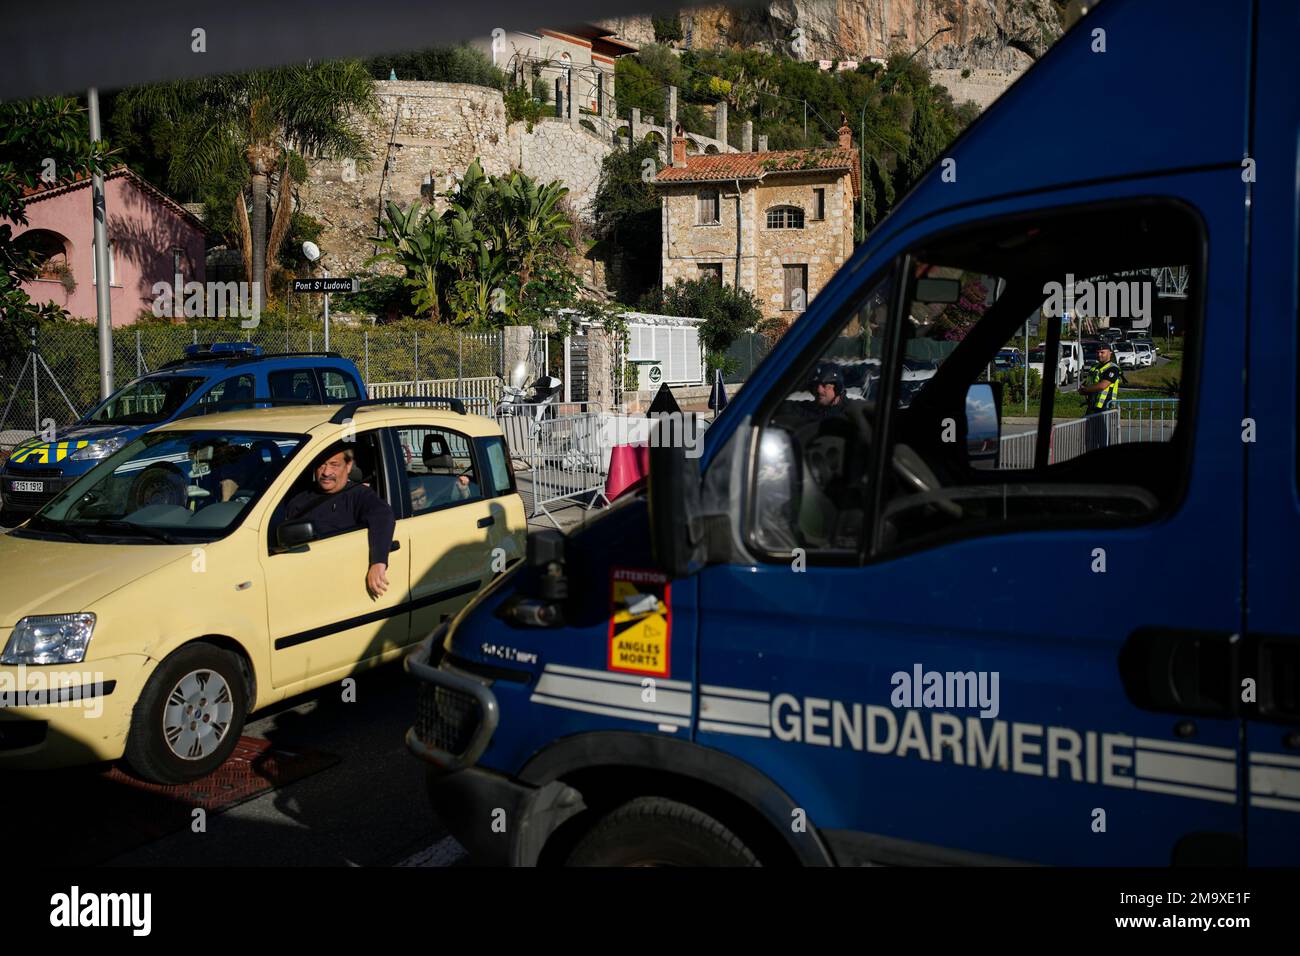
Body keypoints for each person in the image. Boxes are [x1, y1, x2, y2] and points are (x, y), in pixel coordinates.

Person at [280, 444, 396, 598]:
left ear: (348, 466)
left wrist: (378, 562)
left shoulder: (360, 495)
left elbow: (383, 516)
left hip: (337, 580)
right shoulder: (300, 498)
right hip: (297, 576)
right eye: (322, 465)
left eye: (334, 465)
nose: (326, 472)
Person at [1079, 342, 1122, 413]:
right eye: (1097, 352)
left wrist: (1086, 390)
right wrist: (1082, 387)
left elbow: (1103, 385)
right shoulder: (1094, 367)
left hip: (1105, 407)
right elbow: (1087, 382)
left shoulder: (1113, 368)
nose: (1099, 355)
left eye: (1102, 352)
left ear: (1110, 353)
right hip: (1092, 405)